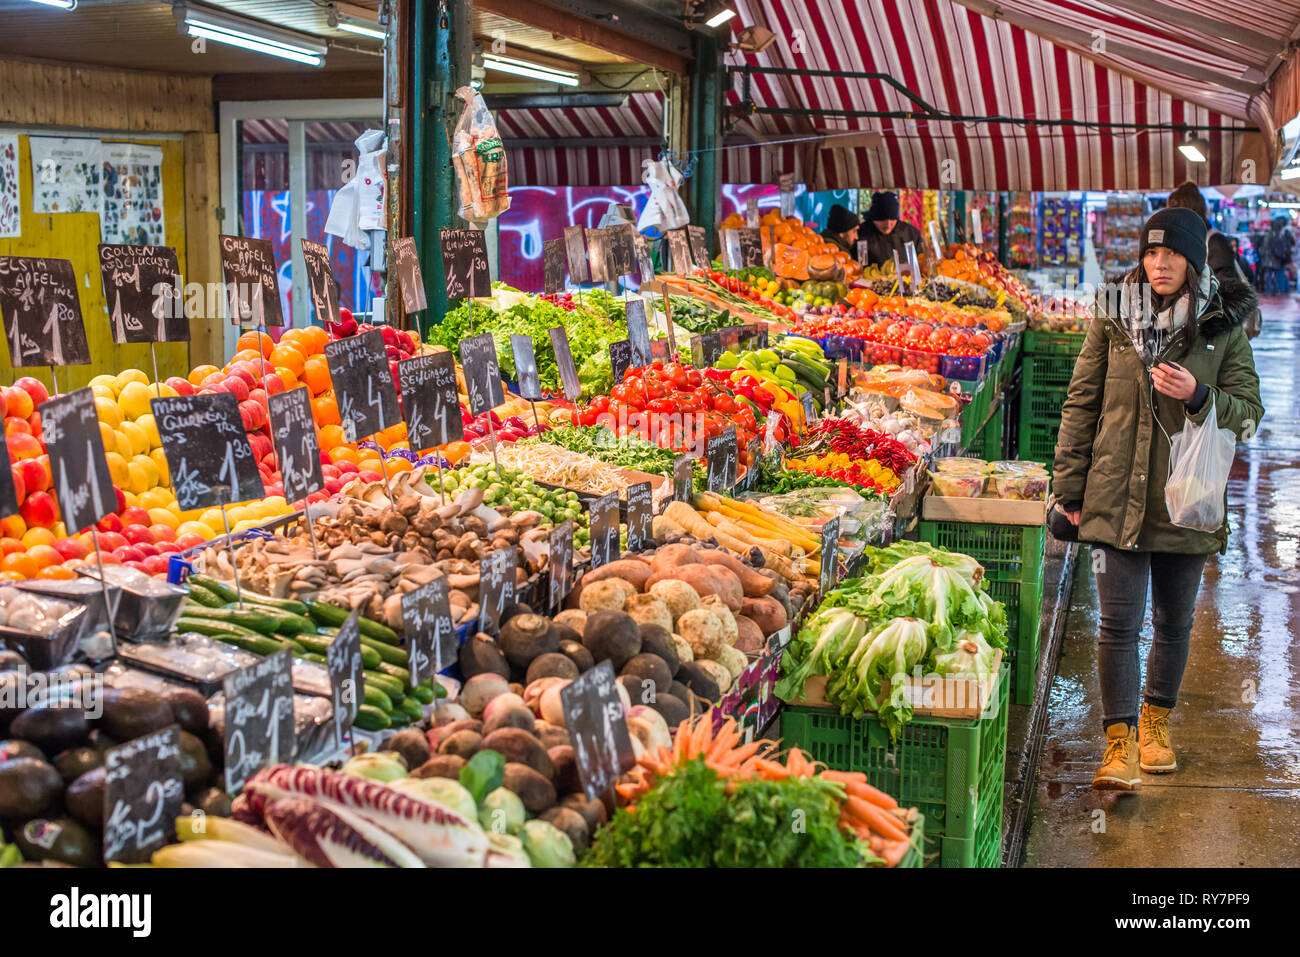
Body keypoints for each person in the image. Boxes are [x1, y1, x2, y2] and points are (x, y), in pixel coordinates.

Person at [1051, 206, 1263, 792]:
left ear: (1193, 260)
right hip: (1116, 492)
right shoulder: (1115, 315)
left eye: (1171, 254)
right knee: (1118, 625)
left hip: (1185, 501)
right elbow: (1081, 402)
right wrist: (1068, 491)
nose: (1159, 264)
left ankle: (1156, 727)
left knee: (1173, 622)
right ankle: (1116, 744)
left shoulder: (1222, 325)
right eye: (1150, 253)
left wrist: (1200, 396)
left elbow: (1249, 418)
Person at [858, 190, 924, 268]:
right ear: (873, 218)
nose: (888, 224)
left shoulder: (912, 233)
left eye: (892, 219)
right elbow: (858, 266)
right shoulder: (861, 234)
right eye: (882, 220)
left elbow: (921, 262)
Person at [1261, 216, 1294, 294]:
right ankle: (1279, 289)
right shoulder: (1282, 232)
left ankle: (1270, 290)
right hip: (1280, 257)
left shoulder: (1272, 233)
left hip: (1272, 258)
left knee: (1272, 274)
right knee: (1279, 274)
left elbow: (1266, 246)